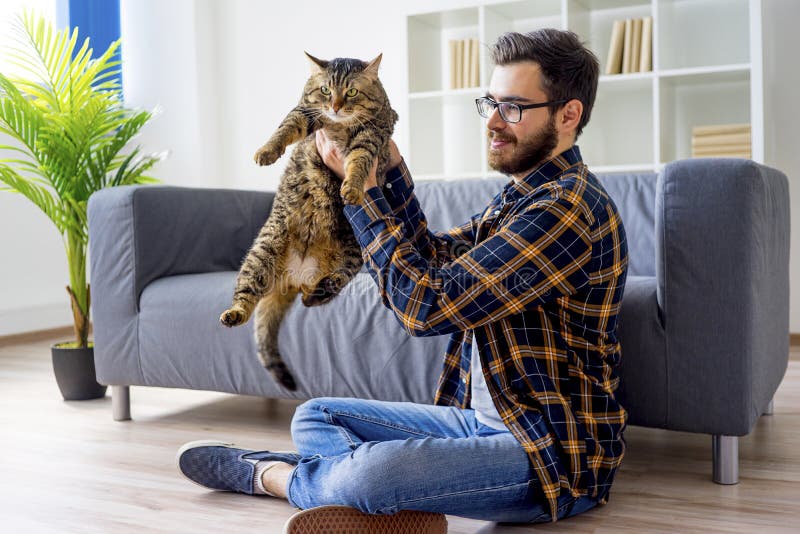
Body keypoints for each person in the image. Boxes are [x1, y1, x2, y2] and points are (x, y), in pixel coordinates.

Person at [178, 28, 628, 532]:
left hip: (547, 455)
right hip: (479, 424)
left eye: (514, 108)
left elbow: (426, 307)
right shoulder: (520, 198)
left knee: (374, 476)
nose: (494, 123)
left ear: (568, 115)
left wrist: (365, 196)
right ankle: (377, 493)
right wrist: (389, 171)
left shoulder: (566, 210)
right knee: (315, 415)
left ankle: (276, 477)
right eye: (490, 104)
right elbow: (435, 256)